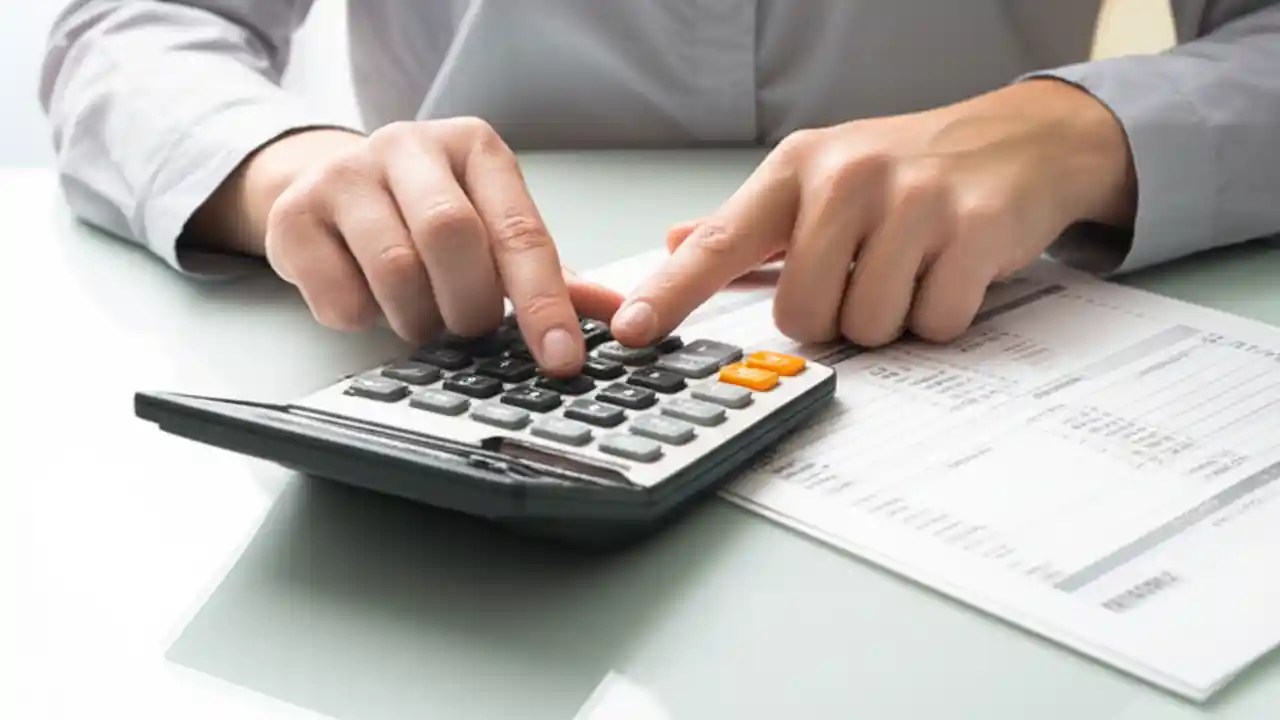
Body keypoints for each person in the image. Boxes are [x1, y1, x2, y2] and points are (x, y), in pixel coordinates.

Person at [41, 1, 1280, 378]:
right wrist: (295, 169)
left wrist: (1072, 134)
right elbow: (133, 29)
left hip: (974, 339)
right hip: (441, 357)